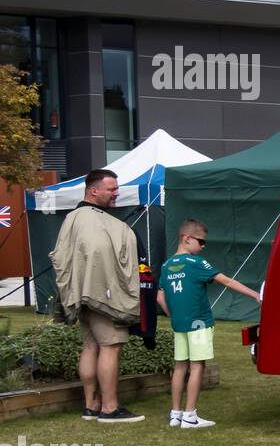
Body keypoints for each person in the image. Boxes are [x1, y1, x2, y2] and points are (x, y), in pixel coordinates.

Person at [50, 168, 145, 423]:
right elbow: (99, 256)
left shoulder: (73, 218)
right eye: (111, 189)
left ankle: (91, 406)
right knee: (110, 346)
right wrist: (111, 292)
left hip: (82, 295)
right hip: (102, 297)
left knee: (91, 346)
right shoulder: (93, 221)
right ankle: (110, 408)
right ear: (93, 191)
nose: (116, 194)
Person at [156, 218, 260, 428]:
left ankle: (175, 414)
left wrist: (173, 315)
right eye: (201, 242)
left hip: (180, 324)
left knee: (179, 367)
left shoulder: (167, 265)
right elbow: (227, 281)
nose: (203, 247)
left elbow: (160, 297)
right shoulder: (196, 263)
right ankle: (190, 416)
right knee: (197, 367)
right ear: (187, 238)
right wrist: (255, 294)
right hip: (199, 323)